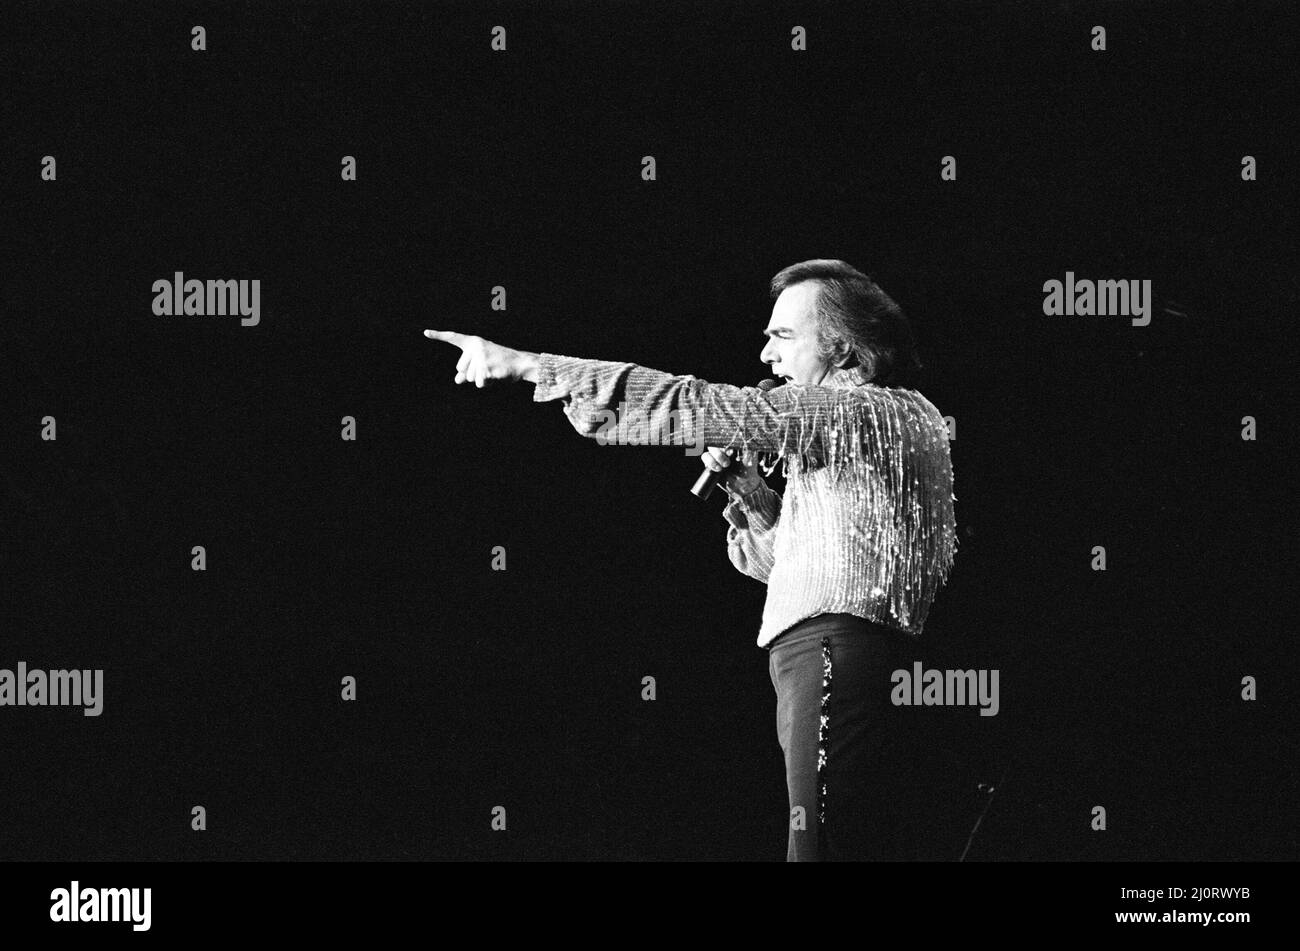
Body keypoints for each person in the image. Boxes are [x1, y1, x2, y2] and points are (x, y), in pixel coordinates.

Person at [424, 258, 957, 861]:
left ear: (839, 344)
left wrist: (527, 367)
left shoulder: (867, 410)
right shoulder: (856, 427)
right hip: (827, 651)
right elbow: (788, 561)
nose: (766, 357)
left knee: (820, 844)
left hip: (836, 649)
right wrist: (751, 488)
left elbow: (699, 403)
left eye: (782, 336)